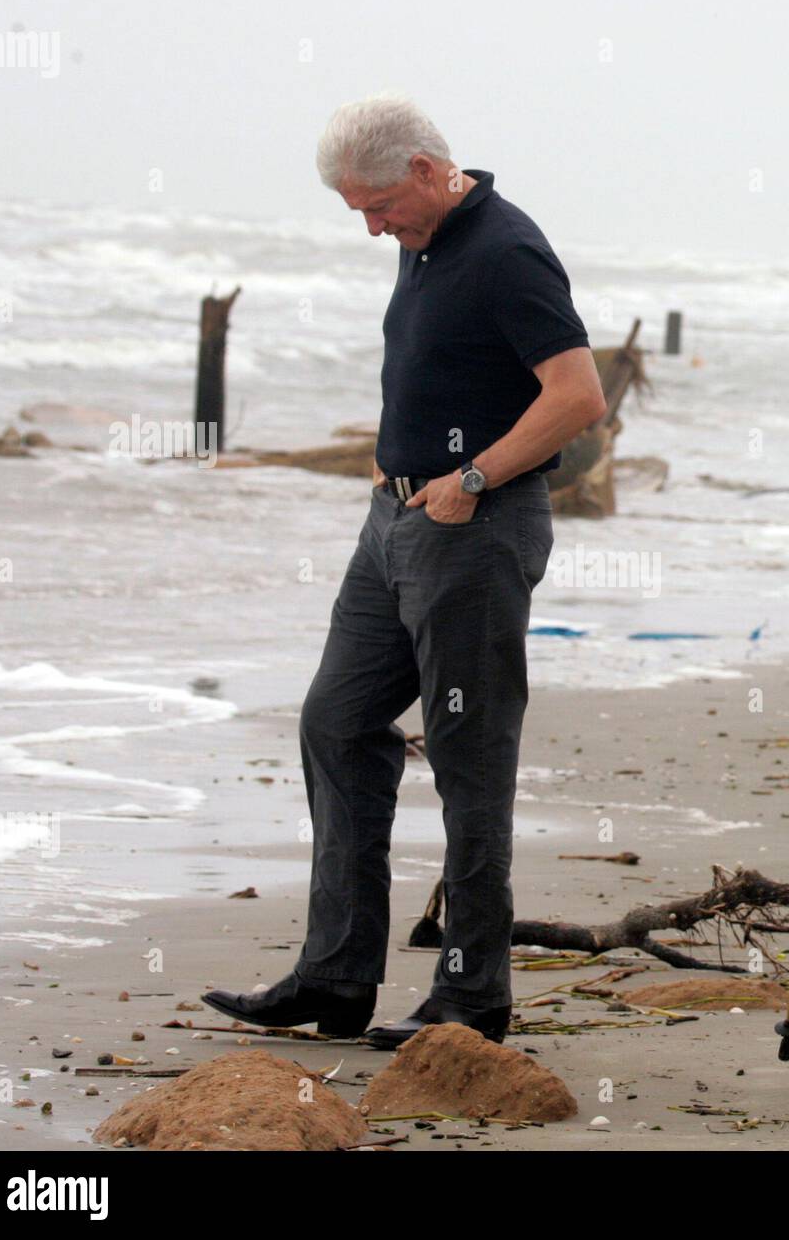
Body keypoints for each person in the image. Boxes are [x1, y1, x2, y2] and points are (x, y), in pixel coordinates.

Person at [204, 94, 606, 1048]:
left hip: (476, 529)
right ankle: (336, 975)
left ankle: (473, 994)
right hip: (392, 525)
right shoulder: (422, 237)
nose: (372, 225)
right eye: (359, 211)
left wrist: (471, 476)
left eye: (379, 206)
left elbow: (579, 393)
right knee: (337, 722)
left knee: (469, 758)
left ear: (428, 169)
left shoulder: (507, 250)